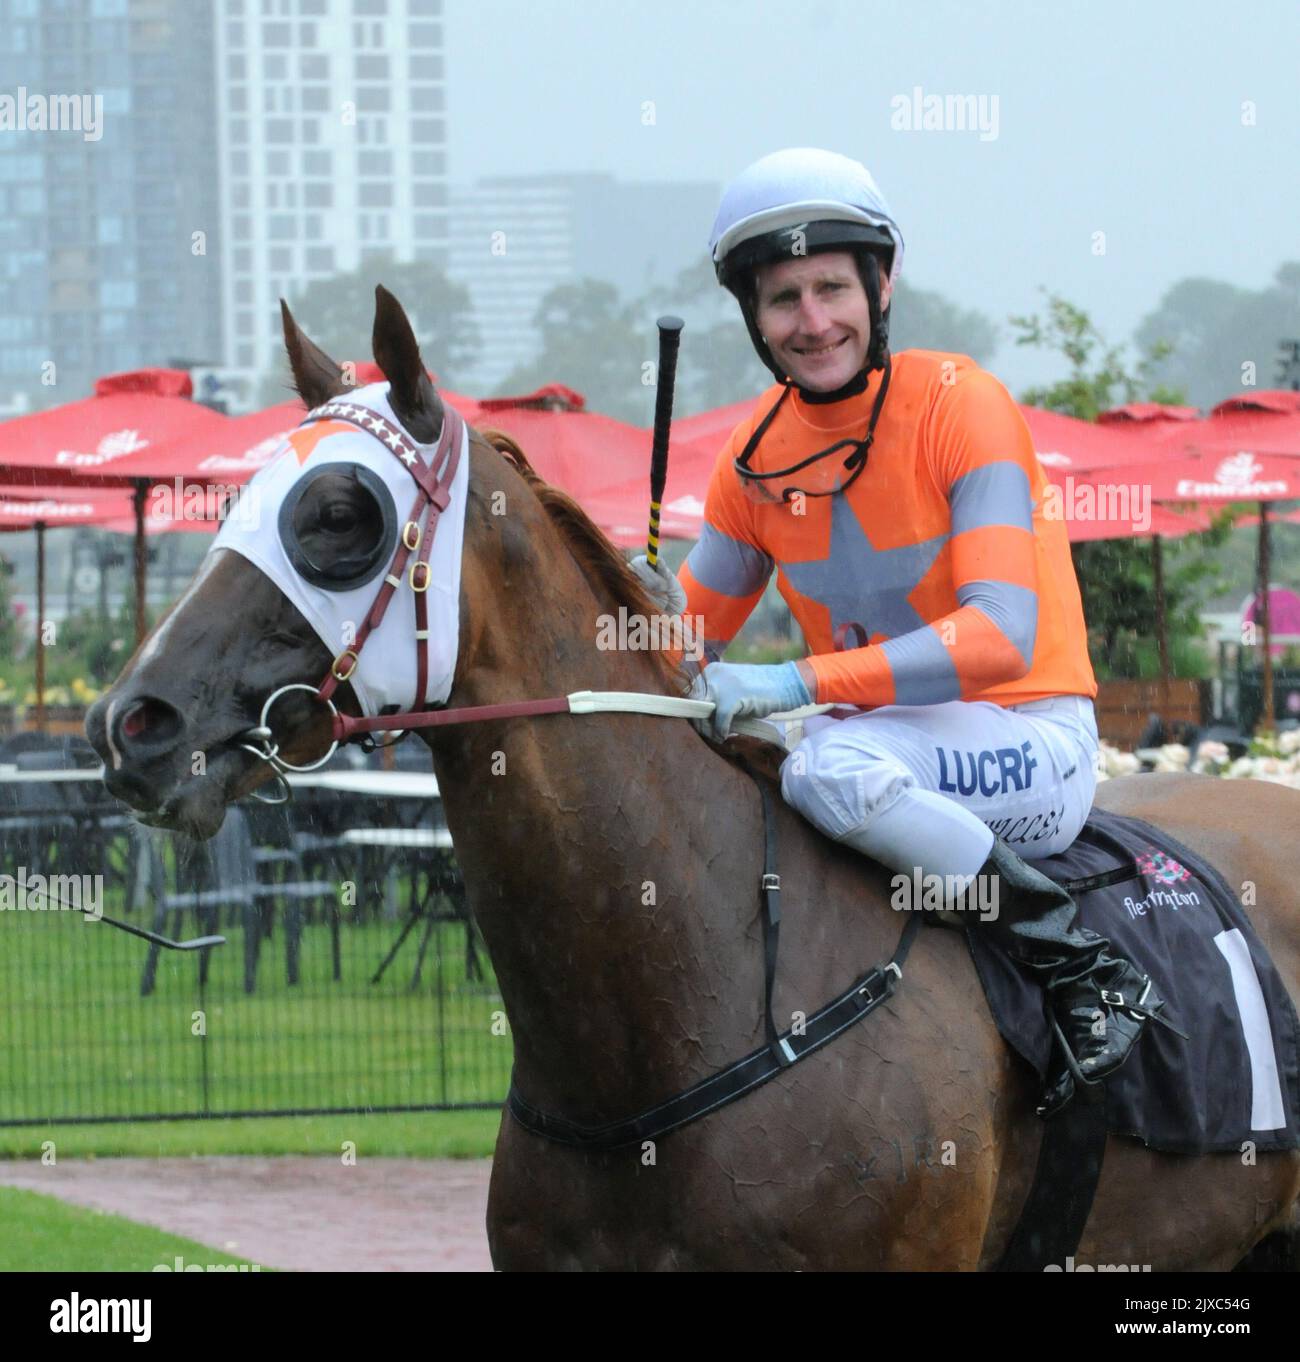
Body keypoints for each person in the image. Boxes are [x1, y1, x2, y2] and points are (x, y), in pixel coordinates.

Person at [632, 147, 1169, 1115]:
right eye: (782, 298)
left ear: (881, 284)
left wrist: (796, 683)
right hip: (880, 742)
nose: (812, 321)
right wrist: (634, 607)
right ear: (752, 317)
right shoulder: (751, 461)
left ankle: (1076, 963)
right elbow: (679, 660)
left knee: (823, 768)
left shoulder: (965, 407)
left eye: (831, 287)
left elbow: (999, 636)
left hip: (1029, 739)